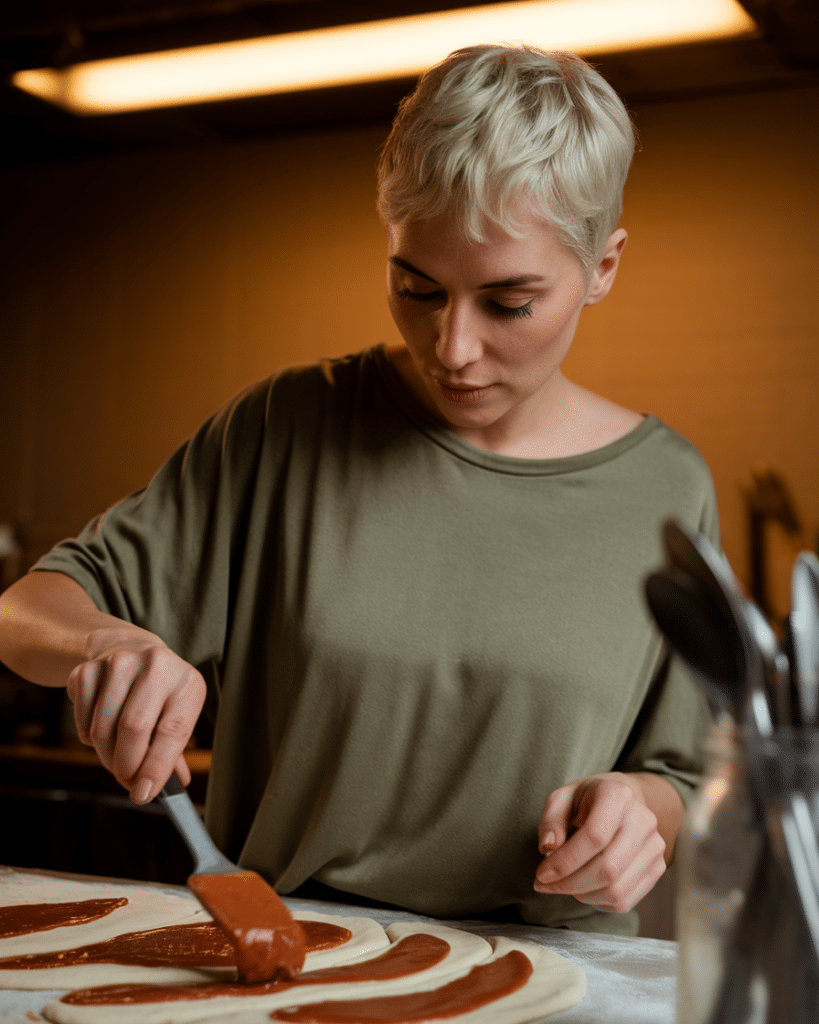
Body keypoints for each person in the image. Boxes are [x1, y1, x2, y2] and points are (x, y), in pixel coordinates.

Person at [0, 44, 718, 936]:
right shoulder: (283, 429)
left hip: (554, 973)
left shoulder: (667, 489)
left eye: (508, 303)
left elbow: (684, 773)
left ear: (602, 267)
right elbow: (25, 612)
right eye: (417, 287)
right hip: (289, 953)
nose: (452, 348)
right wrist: (107, 643)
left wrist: (640, 816)